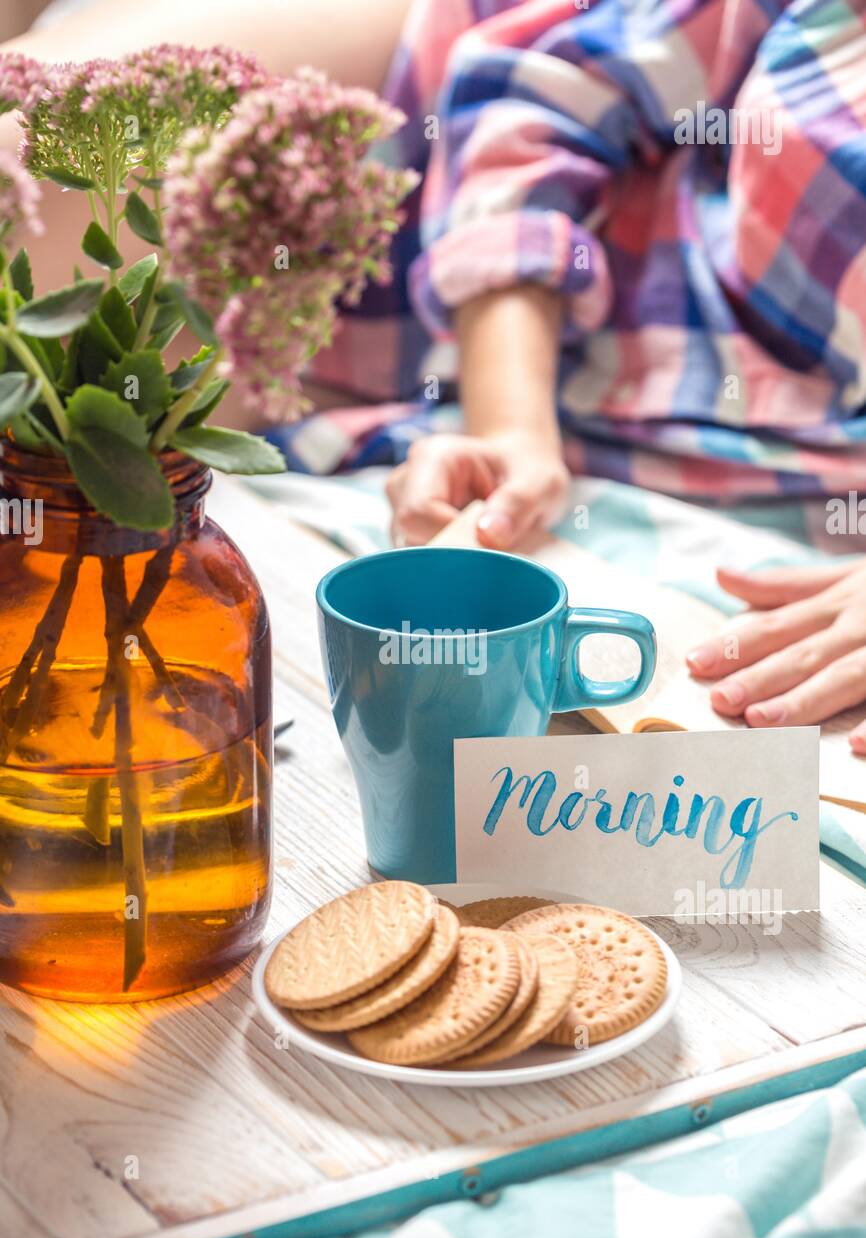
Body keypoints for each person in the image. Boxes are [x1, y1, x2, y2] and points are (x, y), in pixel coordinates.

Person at [3, 0, 866, 749]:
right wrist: (511, 424)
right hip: (428, 143)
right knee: (22, 159)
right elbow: (547, 83)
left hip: (491, 413)